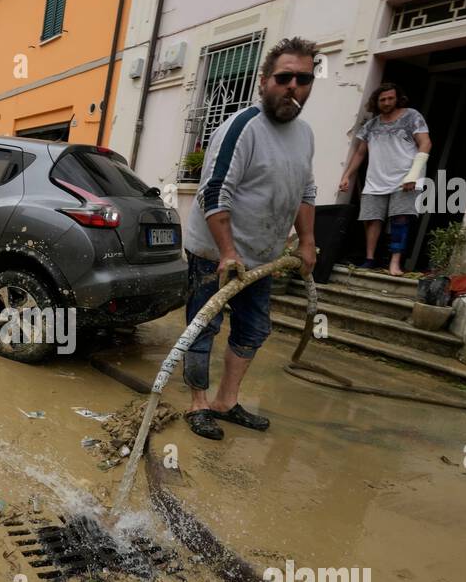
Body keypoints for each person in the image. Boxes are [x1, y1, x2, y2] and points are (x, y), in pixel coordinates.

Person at [182, 37, 319, 441]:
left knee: (254, 330)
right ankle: (198, 404)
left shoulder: (305, 134)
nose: (293, 86)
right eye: (284, 77)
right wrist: (227, 252)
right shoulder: (242, 127)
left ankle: (226, 401)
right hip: (216, 253)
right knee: (203, 327)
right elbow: (214, 192)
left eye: (303, 78)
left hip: (264, 257)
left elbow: (305, 192)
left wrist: (307, 241)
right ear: (264, 82)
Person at [338, 83, 432, 276]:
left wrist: (413, 174)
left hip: (406, 177)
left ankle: (395, 263)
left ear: (397, 98)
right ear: (376, 102)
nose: (387, 102)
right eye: (383, 99)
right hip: (376, 179)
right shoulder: (370, 125)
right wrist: (347, 175)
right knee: (371, 219)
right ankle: (370, 259)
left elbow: (425, 143)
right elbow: (360, 153)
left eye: (390, 98)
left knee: (401, 219)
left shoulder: (412, 116)